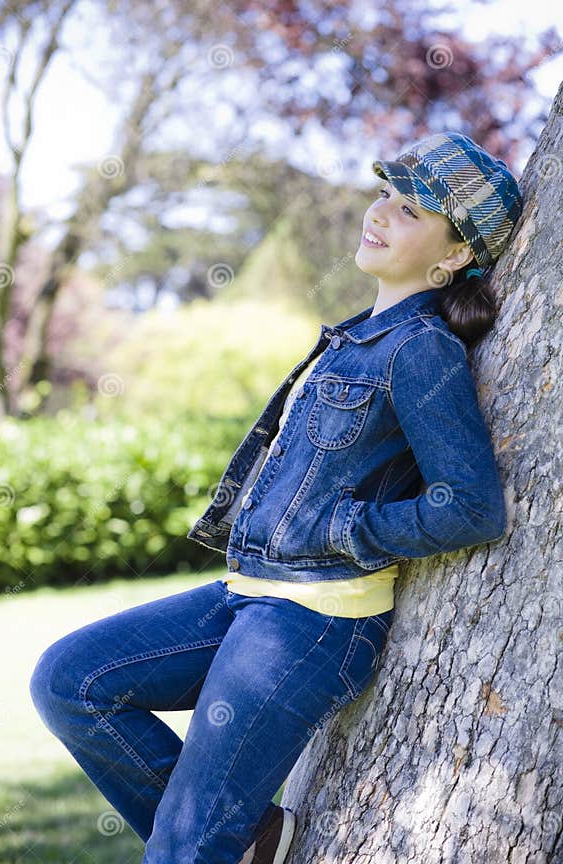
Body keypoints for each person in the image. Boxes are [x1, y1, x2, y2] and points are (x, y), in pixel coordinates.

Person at [29, 131, 523, 864]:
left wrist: (346, 527)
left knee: (184, 848)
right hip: (246, 595)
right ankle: (246, 837)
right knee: (70, 681)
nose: (381, 212)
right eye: (384, 193)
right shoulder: (357, 337)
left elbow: (471, 506)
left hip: (314, 621)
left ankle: (205, 841)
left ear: (453, 257)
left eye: (411, 211)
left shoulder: (421, 350)